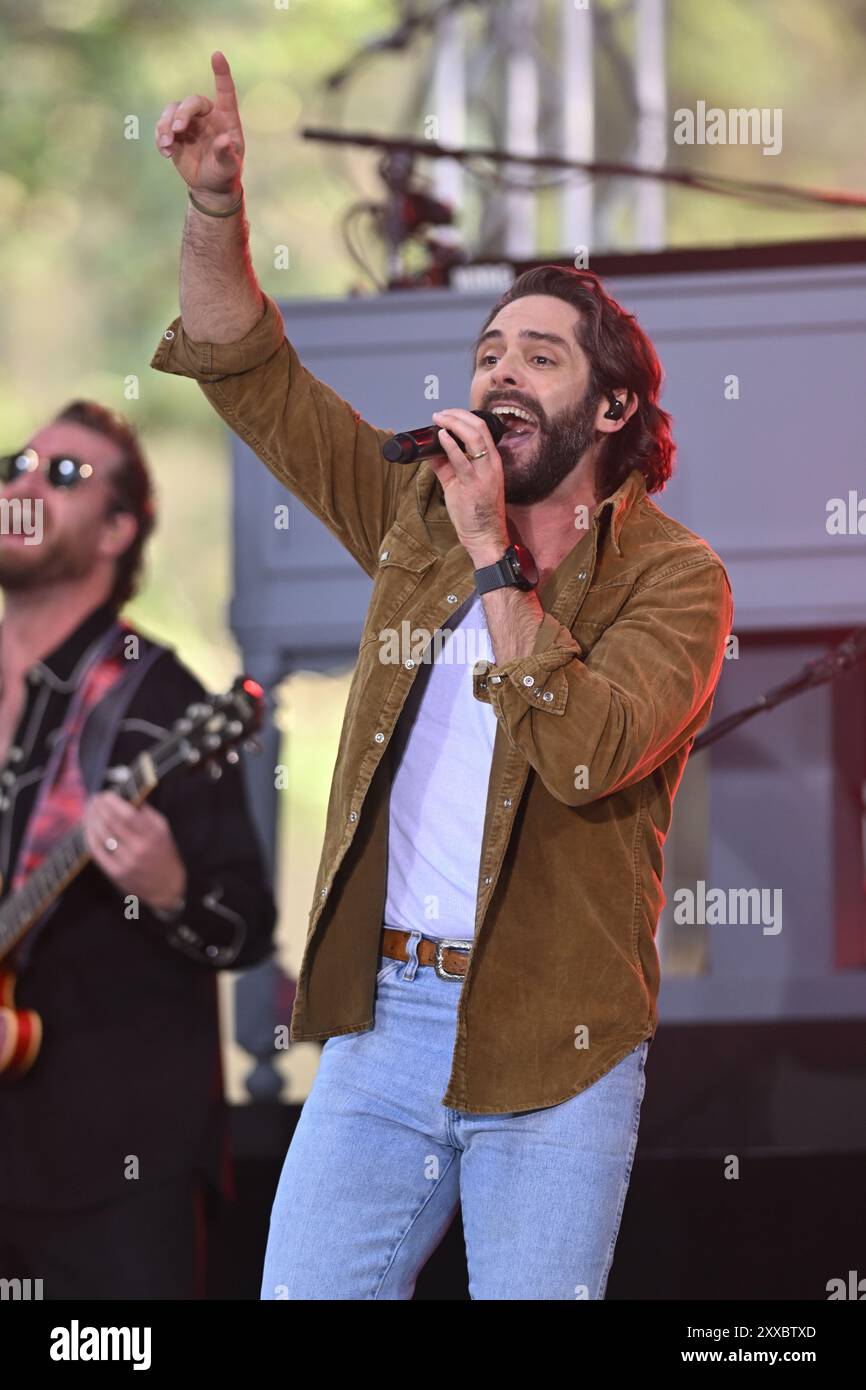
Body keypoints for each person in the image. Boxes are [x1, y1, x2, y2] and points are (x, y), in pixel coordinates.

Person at [152, 51, 733, 1301]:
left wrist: (489, 551)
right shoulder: (414, 514)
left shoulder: (674, 579)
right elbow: (243, 365)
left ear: (614, 406)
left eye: (538, 356)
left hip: (557, 1037)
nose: (498, 374)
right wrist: (214, 208)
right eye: (486, 353)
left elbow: (581, 749)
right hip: (381, 1024)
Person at [0, 399, 276, 1299]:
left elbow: (245, 929)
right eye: (17, 468)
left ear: (119, 530)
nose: (26, 487)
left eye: (64, 475)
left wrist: (166, 890)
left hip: (115, 1169)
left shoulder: (162, 701)